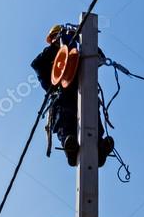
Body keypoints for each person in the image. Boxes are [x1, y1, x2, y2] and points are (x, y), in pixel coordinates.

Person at [31, 25, 114, 168]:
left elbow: (99, 57)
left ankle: (99, 150)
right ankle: (70, 149)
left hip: (85, 92)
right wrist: (58, 47)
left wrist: (83, 39)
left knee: (93, 119)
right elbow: (36, 64)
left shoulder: (79, 51)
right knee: (65, 120)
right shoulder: (51, 57)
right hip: (62, 94)